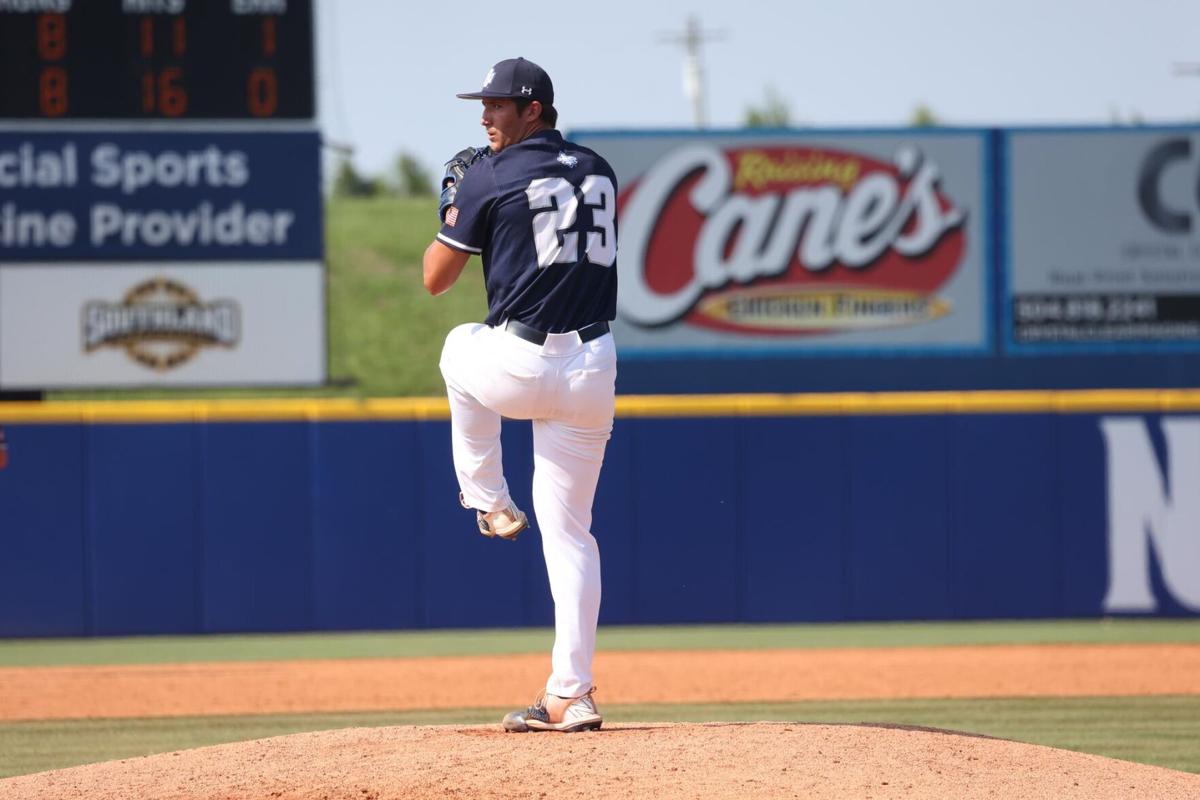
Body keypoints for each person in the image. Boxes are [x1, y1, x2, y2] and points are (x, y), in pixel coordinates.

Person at [422, 57, 619, 733]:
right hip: (594, 365)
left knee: (455, 345)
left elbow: (435, 278)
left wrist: (456, 203)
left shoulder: (491, 174)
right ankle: (574, 694)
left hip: (523, 360)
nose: (485, 117)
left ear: (533, 108)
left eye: (499, 106)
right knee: (572, 536)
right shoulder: (598, 167)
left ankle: (487, 498)